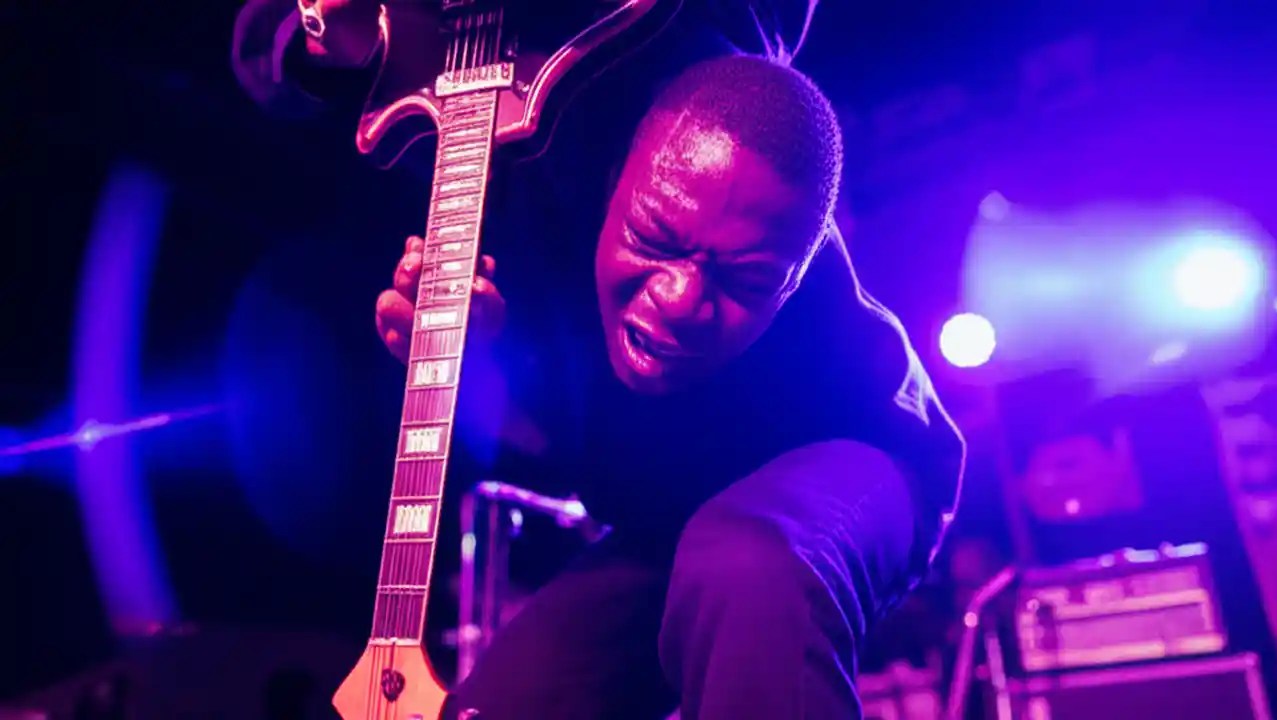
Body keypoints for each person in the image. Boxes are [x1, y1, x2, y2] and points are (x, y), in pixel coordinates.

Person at [377, 56, 966, 720]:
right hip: (673, 515)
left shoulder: (719, 124)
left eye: (743, 284)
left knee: (748, 564)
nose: (682, 300)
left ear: (798, 282)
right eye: (652, 239)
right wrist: (481, 367)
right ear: (613, 186)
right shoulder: (519, 212)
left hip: (862, 460)